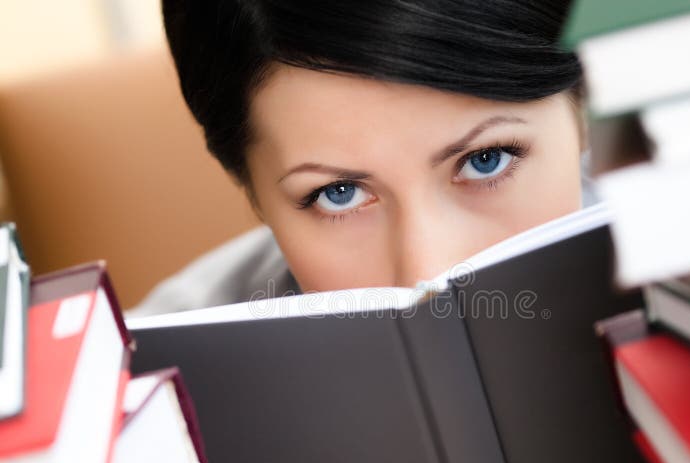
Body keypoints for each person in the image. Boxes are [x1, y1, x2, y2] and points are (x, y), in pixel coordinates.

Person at [130, 0, 592, 316]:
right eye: (339, 193)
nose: (428, 278)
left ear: (584, 116)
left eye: (485, 159)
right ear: (251, 193)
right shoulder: (124, 393)